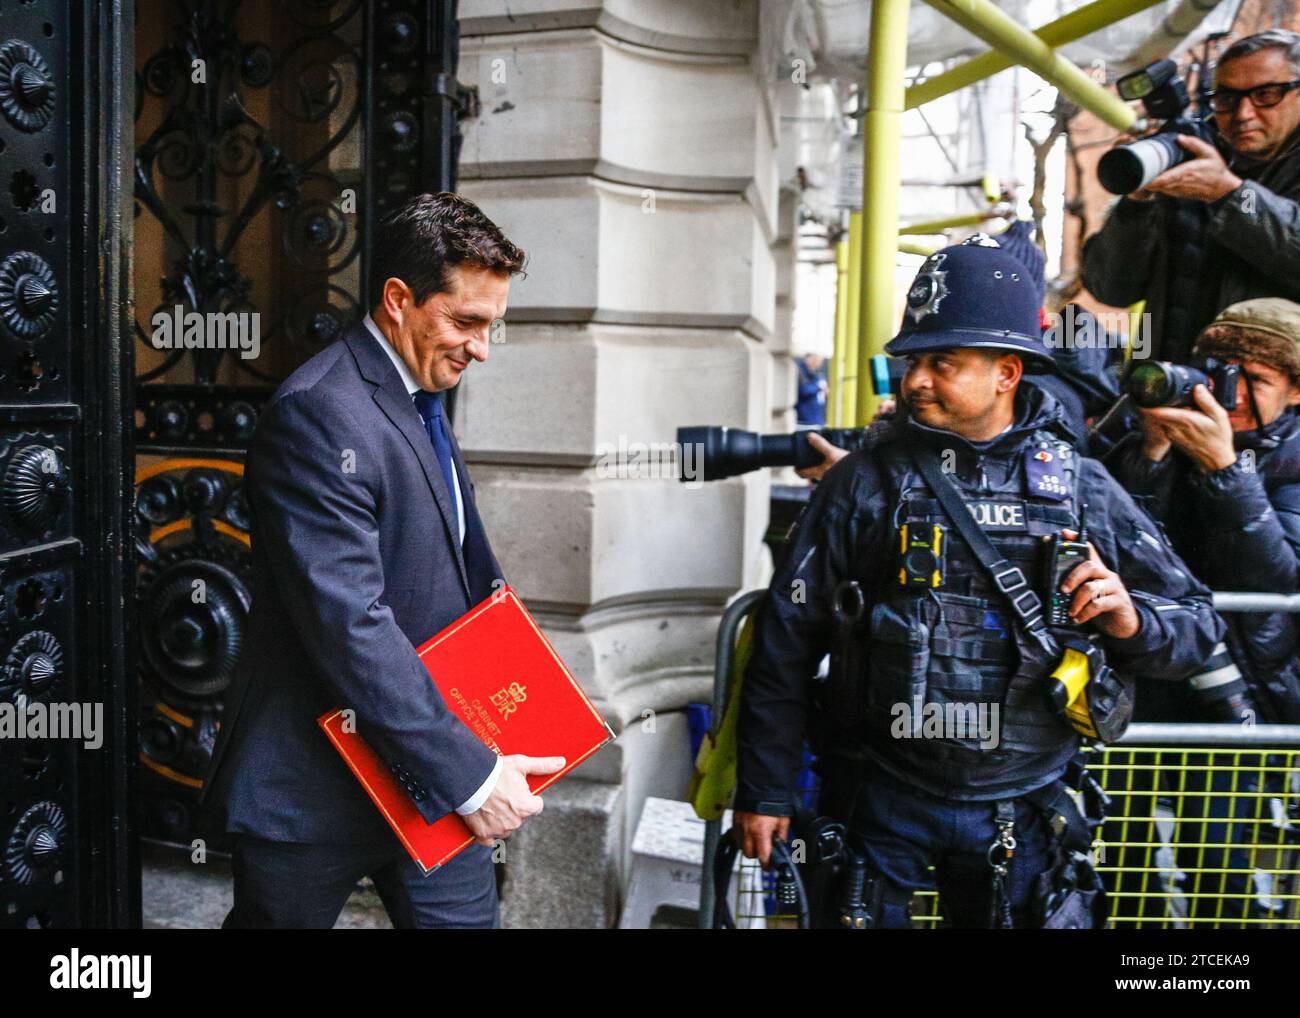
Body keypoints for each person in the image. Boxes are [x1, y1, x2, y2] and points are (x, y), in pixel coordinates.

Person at [733, 236, 1223, 928]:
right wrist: (766, 789)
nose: (915, 381)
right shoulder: (862, 483)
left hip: (1023, 810)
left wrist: (1130, 620)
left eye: (943, 363)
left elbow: (1197, 628)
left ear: (1007, 372)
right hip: (878, 801)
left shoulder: (1080, 486)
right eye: (912, 361)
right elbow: (785, 641)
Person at [200, 192, 564, 929]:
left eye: (492, 326)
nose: (481, 348)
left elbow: (454, 577)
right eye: (465, 322)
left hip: (432, 780)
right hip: (313, 787)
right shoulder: (318, 410)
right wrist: (471, 776)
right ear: (399, 300)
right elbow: (350, 625)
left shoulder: (419, 390)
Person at [1102, 298, 1300, 926]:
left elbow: (1279, 578)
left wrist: (1224, 468)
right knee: (1116, 850)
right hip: (1142, 670)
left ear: (1297, 391)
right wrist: (1153, 454)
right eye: (1219, 370)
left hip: (1236, 692)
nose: (1230, 392)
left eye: (1256, 379)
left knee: (1216, 853)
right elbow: (1116, 542)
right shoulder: (1152, 432)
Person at [1082, 30, 1300, 363]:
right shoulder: (1189, 156)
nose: (1243, 113)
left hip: (1272, 406)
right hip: (1163, 389)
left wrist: (1231, 195)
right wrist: (1137, 204)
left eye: (1266, 95)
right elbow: (1110, 288)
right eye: (1226, 98)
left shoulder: (1214, 177)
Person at [796, 353, 829, 427]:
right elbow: (803, 390)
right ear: (813, 359)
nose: (819, 365)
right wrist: (819, 387)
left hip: (814, 417)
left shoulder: (814, 374)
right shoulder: (800, 371)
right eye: (819, 361)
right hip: (805, 418)